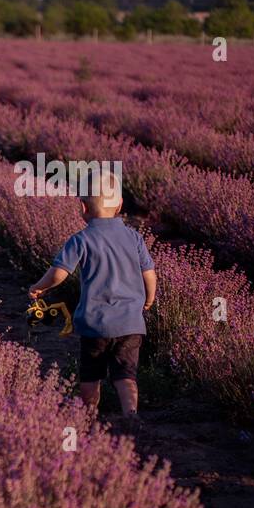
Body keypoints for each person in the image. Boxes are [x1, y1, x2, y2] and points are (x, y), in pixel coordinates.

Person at [28, 170, 156, 420]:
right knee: (125, 374)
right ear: (119, 205)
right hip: (130, 323)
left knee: (91, 374)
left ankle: (88, 415)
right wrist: (149, 298)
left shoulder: (81, 239)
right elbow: (149, 273)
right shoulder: (134, 237)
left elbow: (59, 273)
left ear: (83, 207)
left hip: (95, 324)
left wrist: (40, 287)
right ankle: (131, 414)